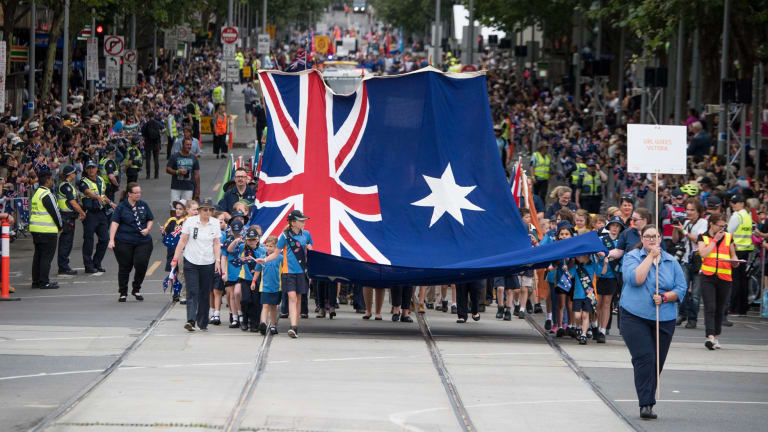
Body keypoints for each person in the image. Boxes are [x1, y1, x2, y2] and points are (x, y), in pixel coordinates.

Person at [619, 224, 686, 420]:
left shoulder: (671, 261)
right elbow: (635, 279)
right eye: (647, 236)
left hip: (664, 318)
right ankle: (646, 404)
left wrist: (666, 297)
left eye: (655, 236)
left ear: (660, 238)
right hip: (634, 316)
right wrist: (650, 257)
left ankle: (647, 398)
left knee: (657, 362)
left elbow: (681, 288)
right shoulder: (632, 257)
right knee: (645, 358)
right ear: (642, 238)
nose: (651, 240)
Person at [257, 209, 313, 339]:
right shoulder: (284, 236)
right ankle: (293, 327)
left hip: (301, 272)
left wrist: (310, 248)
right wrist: (264, 259)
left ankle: (295, 327)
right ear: (293, 222)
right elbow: (276, 254)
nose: (304, 222)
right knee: (292, 297)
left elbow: (311, 249)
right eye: (301, 220)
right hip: (288, 272)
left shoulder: (307, 234)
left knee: (298, 298)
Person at [171, 199, 222, 332]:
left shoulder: (215, 223)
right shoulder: (190, 221)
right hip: (191, 260)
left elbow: (216, 243)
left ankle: (203, 321)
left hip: (208, 262)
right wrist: (175, 259)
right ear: (199, 210)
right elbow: (183, 240)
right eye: (205, 209)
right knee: (192, 291)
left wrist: (217, 260)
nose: (208, 212)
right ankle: (191, 320)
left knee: (205, 293)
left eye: (210, 210)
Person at [697, 214, 738, 350]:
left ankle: (716, 337)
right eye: (720, 226)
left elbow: (733, 255)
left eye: (724, 226)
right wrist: (714, 240)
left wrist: (735, 261)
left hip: (725, 277)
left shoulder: (728, 237)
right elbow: (703, 253)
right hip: (708, 276)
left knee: (720, 309)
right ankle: (709, 337)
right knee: (710, 307)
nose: (722, 229)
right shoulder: (702, 237)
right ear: (711, 224)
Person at [108, 183, 154, 302]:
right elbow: (114, 223)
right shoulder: (121, 207)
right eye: (136, 193)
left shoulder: (143, 205)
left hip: (142, 240)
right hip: (124, 240)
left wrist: (147, 229)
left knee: (141, 263)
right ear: (129, 194)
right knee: (125, 266)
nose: (139, 194)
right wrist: (111, 240)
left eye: (140, 192)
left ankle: (136, 288)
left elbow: (150, 219)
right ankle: (123, 292)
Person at [674, 199, 708, 329]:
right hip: (685, 259)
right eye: (687, 209)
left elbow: (698, 238)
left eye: (692, 210)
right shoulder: (686, 222)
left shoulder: (703, 223)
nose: (689, 212)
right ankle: (682, 314)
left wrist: (683, 231)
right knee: (682, 289)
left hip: (698, 261)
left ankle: (692, 319)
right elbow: (675, 240)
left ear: (699, 212)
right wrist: (676, 229)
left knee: (695, 293)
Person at [79, 160, 115, 273]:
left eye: (93, 167)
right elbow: (87, 192)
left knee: (105, 239)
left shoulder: (100, 180)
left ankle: (97, 263)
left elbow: (103, 194)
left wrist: (111, 203)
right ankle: (88, 266)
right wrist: (97, 198)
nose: (91, 170)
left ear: (96, 169)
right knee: (89, 240)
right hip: (89, 213)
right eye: (89, 168)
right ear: (86, 169)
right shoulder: (83, 181)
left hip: (101, 213)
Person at [30, 170, 63, 289]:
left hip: (35, 229)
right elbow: (55, 212)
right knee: (46, 257)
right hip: (47, 230)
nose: (52, 181)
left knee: (38, 256)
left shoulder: (36, 193)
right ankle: (44, 282)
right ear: (48, 180)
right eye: (51, 179)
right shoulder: (47, 194)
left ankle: (36, 281)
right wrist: (60, 226)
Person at [727, 194, 753, 317]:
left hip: (736, 250)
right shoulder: (747, 216)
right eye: (732, 202)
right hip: (746, 250)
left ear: (742, 203)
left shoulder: (736, 216)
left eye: (735, 202)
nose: (733, 204)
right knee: (743, 280)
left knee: (736, 280)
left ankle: (733, 307)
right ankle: (742, 307)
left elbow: (729, 232)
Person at [56, 165, 86, 275]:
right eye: (74, 173)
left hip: (69, 217)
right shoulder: (66, 186)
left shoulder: (68, 185)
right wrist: (82, 213)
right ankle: (63, 266)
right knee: (66, 242)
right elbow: (73, 203)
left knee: (67, 242)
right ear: (70, 174)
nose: (75, 174)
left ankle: (64, 265)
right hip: (66, 217)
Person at [162, 200, 187, 302]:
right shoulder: (171, 220)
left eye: (180, 209)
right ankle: (175, 293)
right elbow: (166, 232)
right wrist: (163, 231)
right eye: (176, 208)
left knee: (181, 272)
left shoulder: (187, 220)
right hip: (172, 250)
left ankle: (181, 292)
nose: (177, 211)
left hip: (182, 250)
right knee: (174, 271)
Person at [259, 235, 282, 335]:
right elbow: (257, 269)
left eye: (271, 246)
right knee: (265, 305)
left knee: (274, 307)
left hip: (277, 286)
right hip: (265, 286)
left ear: (276, 247)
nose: (268, 248)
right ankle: (263, 324)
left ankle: (273, 325)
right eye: (267, 245)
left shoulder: (280, 258)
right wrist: (254, 281)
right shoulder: (263, 257)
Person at [166, 138, 201, 203]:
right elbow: (168, 169)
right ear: (182, 145)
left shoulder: (194, 157)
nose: (189, 146)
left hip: (188, 188)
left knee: (187, 209)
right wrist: (177, 172)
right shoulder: (175, 156)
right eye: (187, 145)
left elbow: (196, 174)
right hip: (176, 187)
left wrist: (197, 189)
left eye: (190, 145)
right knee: (174, 209)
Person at [140, 112, 163, 178]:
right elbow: (162, 128)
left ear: (148, 116)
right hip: (156, 142)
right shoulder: (157, 122)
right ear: (154, 115)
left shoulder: (146, 124)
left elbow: (142, 132)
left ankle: (148, 174)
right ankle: (156, 174)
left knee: (148, 159)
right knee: (156, 159)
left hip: (148, 142)